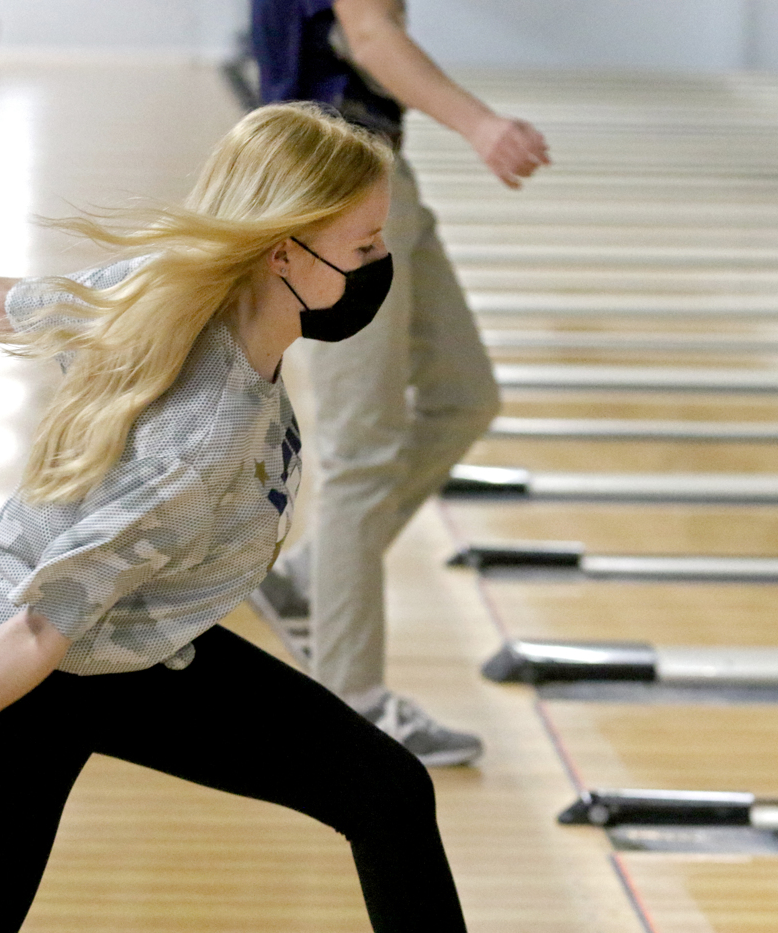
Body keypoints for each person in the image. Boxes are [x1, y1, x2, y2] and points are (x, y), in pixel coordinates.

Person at [0, 102, 469, 932]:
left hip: (135, 648)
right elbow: (38, 633)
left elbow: (7, 306)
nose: (379, 263)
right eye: (364, 246)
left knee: (388, 791)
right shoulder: (201, 438)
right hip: (16, 684)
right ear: (284, 252)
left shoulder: (175, 292)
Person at [248, 0, 550, 767]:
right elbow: (370, 34)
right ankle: (351, 708)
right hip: (332, 179)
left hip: (374, 167)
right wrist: (482, 124)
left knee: (464, 393)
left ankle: (307, 579)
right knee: (364, 452)